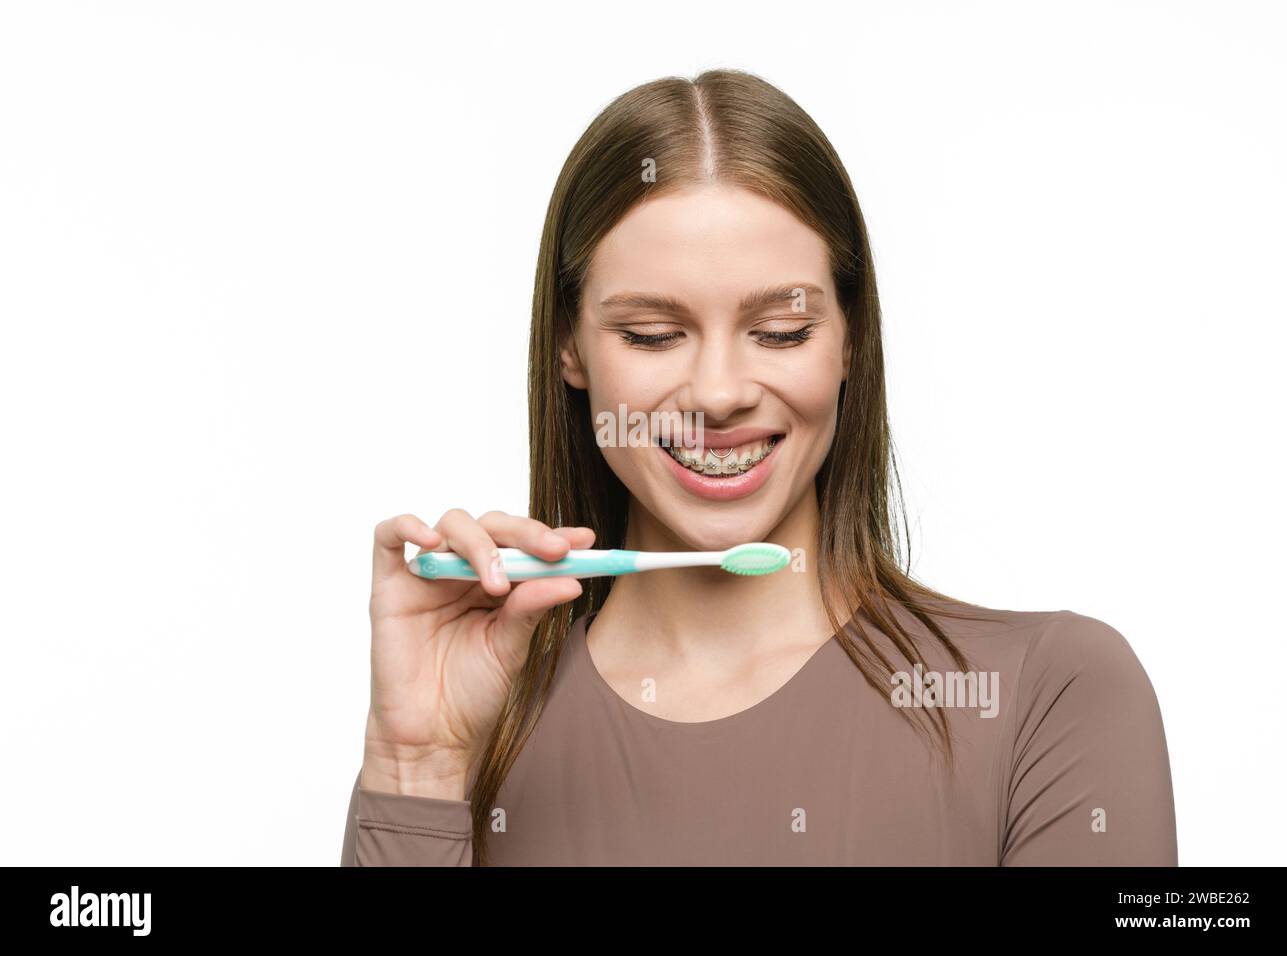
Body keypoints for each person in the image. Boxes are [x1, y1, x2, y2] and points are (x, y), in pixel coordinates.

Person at [340, 68, 1177, 866]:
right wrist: (417, 772)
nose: (718, 393)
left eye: (781, 331)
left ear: (851, 337)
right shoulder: (466, 743)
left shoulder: (1051, 695)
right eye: (652, 335)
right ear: (570, 346)